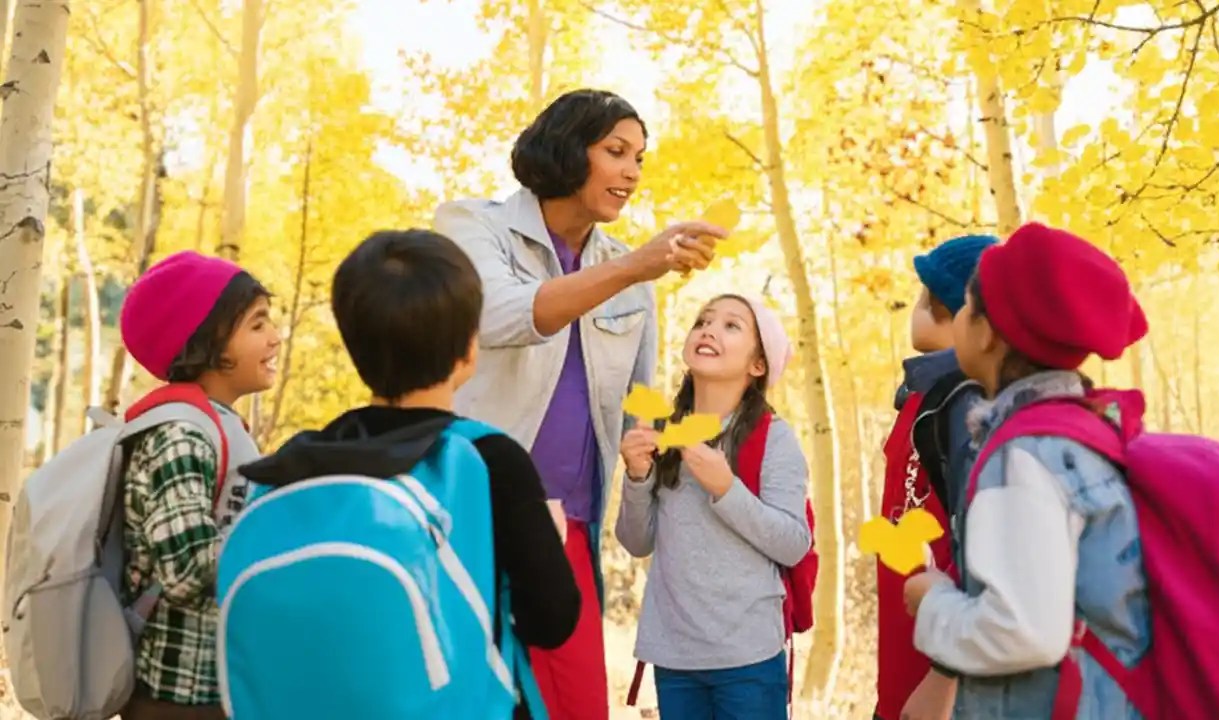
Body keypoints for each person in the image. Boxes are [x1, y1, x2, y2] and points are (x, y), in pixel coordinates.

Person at [433, 88, 726, 718]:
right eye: (616, 152)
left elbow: (639, 405)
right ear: (568, 150)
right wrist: (637, 267)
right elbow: (500, 315)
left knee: (575, 706)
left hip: (573, 526)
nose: (632, 173)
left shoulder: (629, 271)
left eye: (640, 159)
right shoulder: (470, 224)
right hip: (471, 513)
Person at [236, 230, 581, 719]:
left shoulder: (297, 461)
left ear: (355, 345)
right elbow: (552, 621)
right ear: (468, 348)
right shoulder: (489, 458)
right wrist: (548, 539)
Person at [903, 223, 1150, 718]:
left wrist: (933, 604)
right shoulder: (1083, 432)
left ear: (989, 334)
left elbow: (1022, 632)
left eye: (968, 308)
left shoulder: (1024, 454)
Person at [615, 294, 810, 719]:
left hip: (748, 661)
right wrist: (635, 476)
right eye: (703, 320)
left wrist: (726, 488)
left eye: (731, 325)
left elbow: (794, 544)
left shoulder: (774, 439)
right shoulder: (663, 434)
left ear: (757, 365)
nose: (709, 329)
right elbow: (636, 541)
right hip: (675, 657)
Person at [116, 251, 279, 720]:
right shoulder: (181, 435)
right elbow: (187, 570)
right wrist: (281, 542)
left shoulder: (218, 426)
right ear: (209, 343)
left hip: (214, 687)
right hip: (178, 696)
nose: (276, 337)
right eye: (257, 325)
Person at [876, 234, 995, 720]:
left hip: (943, 667)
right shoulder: (922, 396)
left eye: (922, 296)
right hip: (905, 644)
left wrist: (944, 678)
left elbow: (984, 548)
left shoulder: (964, 402)